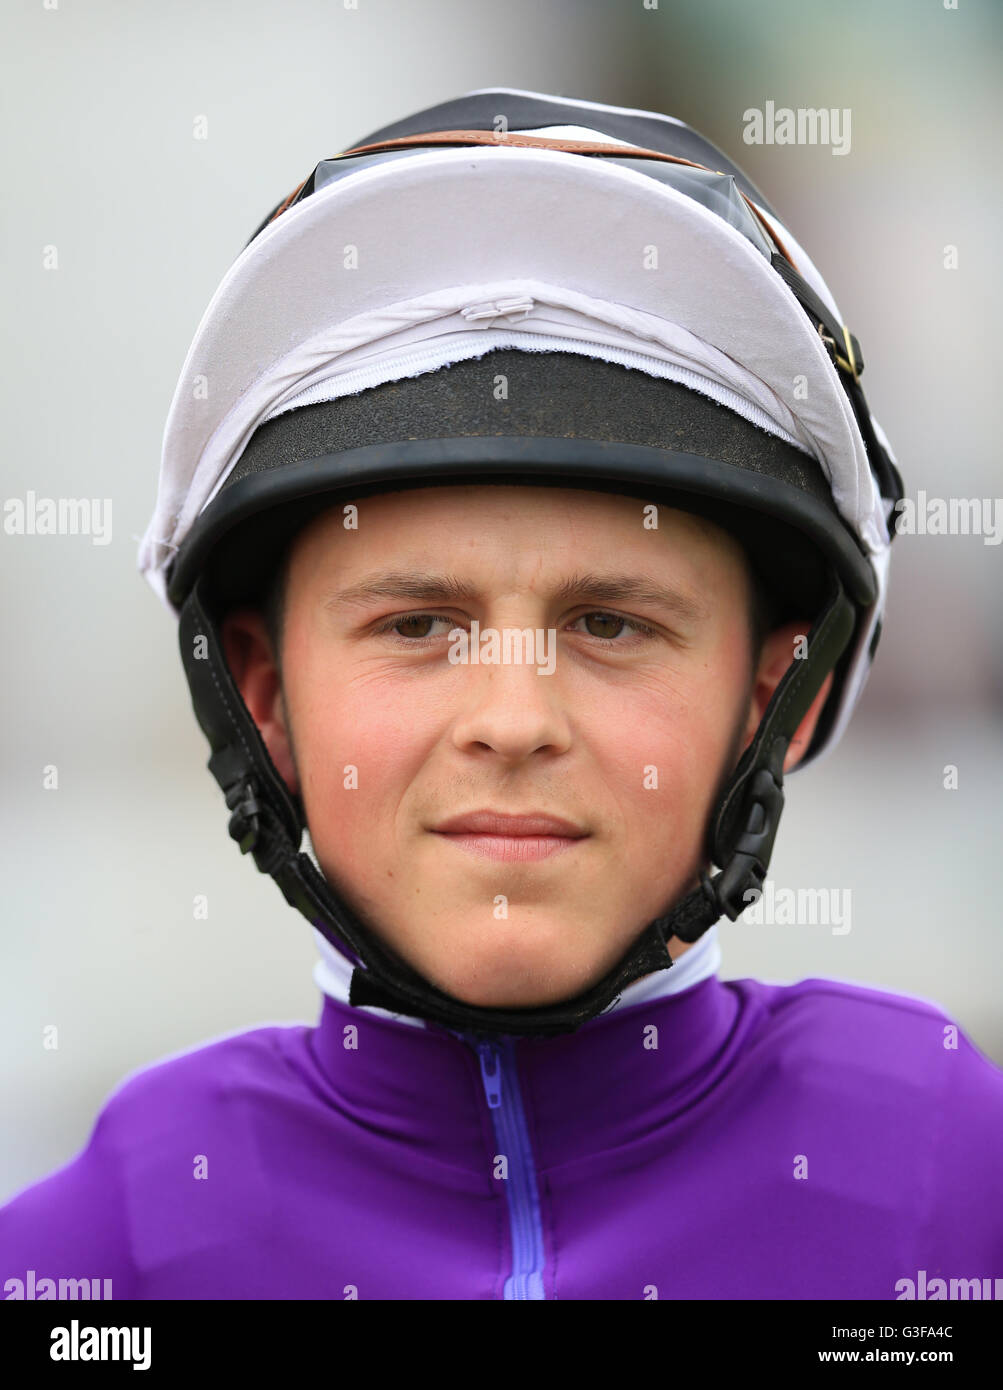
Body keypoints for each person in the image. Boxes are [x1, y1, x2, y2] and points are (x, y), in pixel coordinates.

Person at [3, 87, 1001, 1302]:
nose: (515, 721)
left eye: (610, 623)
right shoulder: (102, 1253)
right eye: (418, 624)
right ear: (264, 700)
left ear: (774, 701)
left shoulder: (955, 1178)